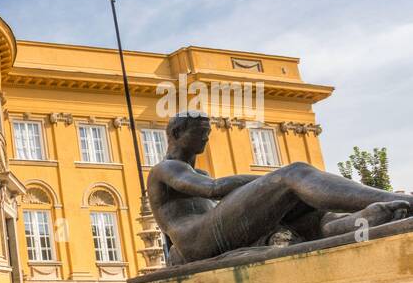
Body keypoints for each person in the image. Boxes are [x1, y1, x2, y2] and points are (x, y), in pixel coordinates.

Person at [148, 110, 412, 265]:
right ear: (176, 133)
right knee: (293, 176)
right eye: (200, 130)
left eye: (208, 130)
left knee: (298, 208)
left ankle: (354, 222)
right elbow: (214, 189)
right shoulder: (166, 168)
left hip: (207, 234)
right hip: (198, 241)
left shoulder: (196, 171)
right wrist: (273, 181)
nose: (206, 136)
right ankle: (401, 200)